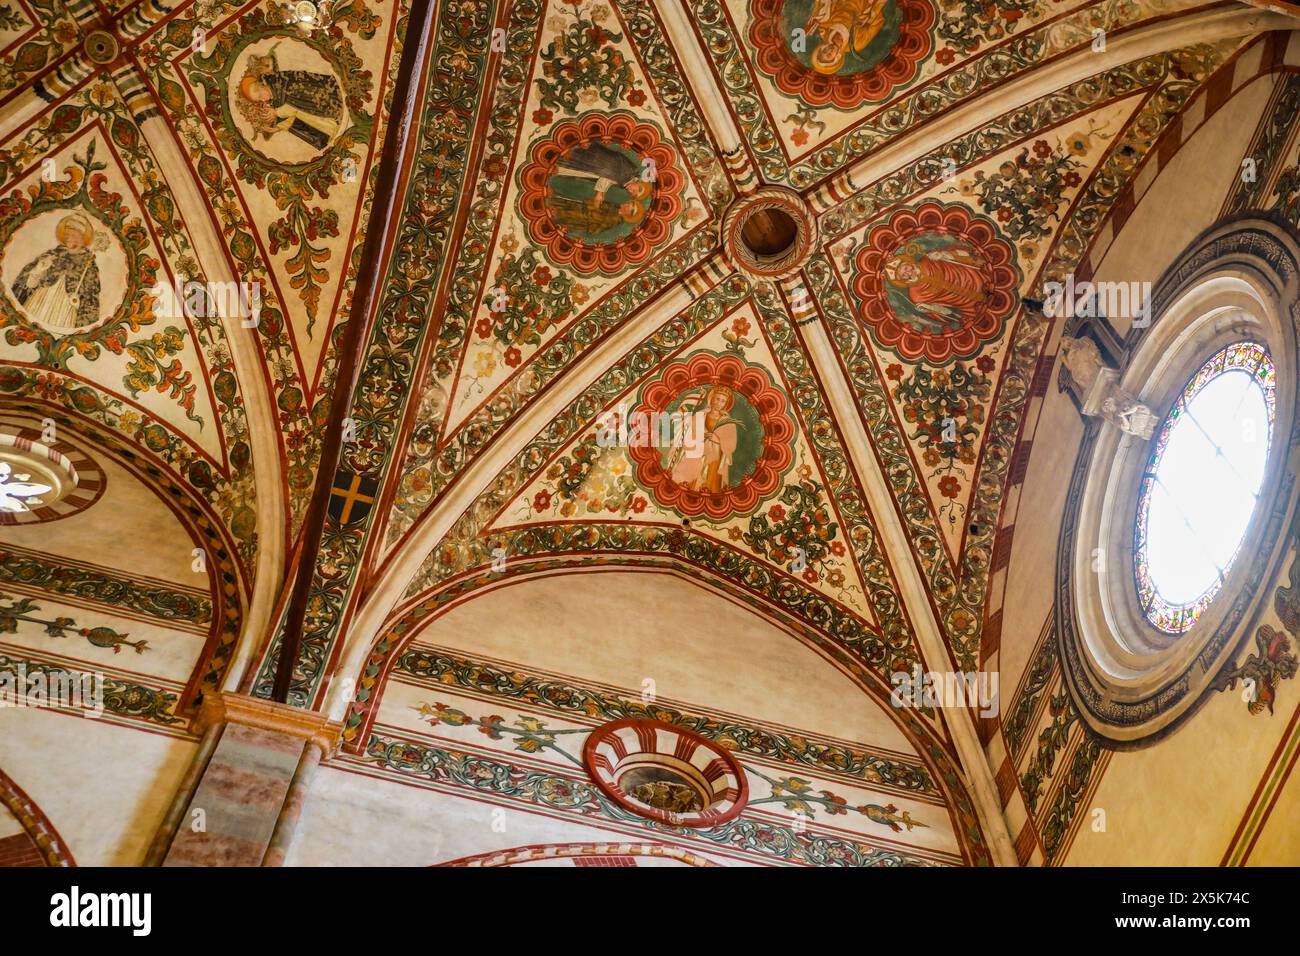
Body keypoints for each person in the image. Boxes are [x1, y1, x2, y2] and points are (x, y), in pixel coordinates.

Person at [234, 48, 343, 150]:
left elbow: (298, 99)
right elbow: (295, 115)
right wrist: (277, 126)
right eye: (259, 100)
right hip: (329, 125)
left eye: (259, 95)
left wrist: (277, 112)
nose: (263, 99)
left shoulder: (282, 81)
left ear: (261, 84)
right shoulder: (275, 99)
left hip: (333, 100)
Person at [10, 212, 104, 330]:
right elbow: (28, 284)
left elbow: (91, 299)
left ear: (82, 239)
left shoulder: (88, 264)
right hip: (39, 303)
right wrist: (37, 272)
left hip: (66, 311)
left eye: (73, 235)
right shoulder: (53, 254)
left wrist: (78, 305)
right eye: (67, 234)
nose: (68, 238)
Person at [547, 141, 651, 238]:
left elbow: (594, 228)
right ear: (639, 184)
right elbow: (609, 170)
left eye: (632, 194)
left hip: (576, 211)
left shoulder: (616, 215)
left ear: (628, 214)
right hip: (591, 159)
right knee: (558, 157)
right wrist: (600, 193)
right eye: (634, 190)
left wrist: (595, 205)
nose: (630, 192)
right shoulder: (629, 172)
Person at [883, 239, 989, 332]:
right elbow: (945, 314)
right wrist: (932, 308)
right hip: (968, 305)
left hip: (976, 278)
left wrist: (944, 255)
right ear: (902, 280)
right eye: (903, 275)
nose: (909, 273)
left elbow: (962, 255)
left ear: (909, 262)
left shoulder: (928, 259)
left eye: (906, 268)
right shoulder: (916, 295)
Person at [667, 386, 741, 493]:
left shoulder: (728, 422)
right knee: (693, 481)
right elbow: (688, 430)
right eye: (717, 399)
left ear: (726, 404)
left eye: (722, 401)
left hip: (715, 459)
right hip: (698, 455)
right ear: (712, 399)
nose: (718, 403)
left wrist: (717, 439)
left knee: (710, 484)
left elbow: (731, 445)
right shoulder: (701, 415)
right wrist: (683, 415)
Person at [804, 0, 889, 75]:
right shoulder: (857, 44)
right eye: (829, 55)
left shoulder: (824, 31)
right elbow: (878, 22)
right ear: (836, 58)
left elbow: (823, 7)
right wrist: (869, 16)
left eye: (825, 51)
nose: (829, 50)